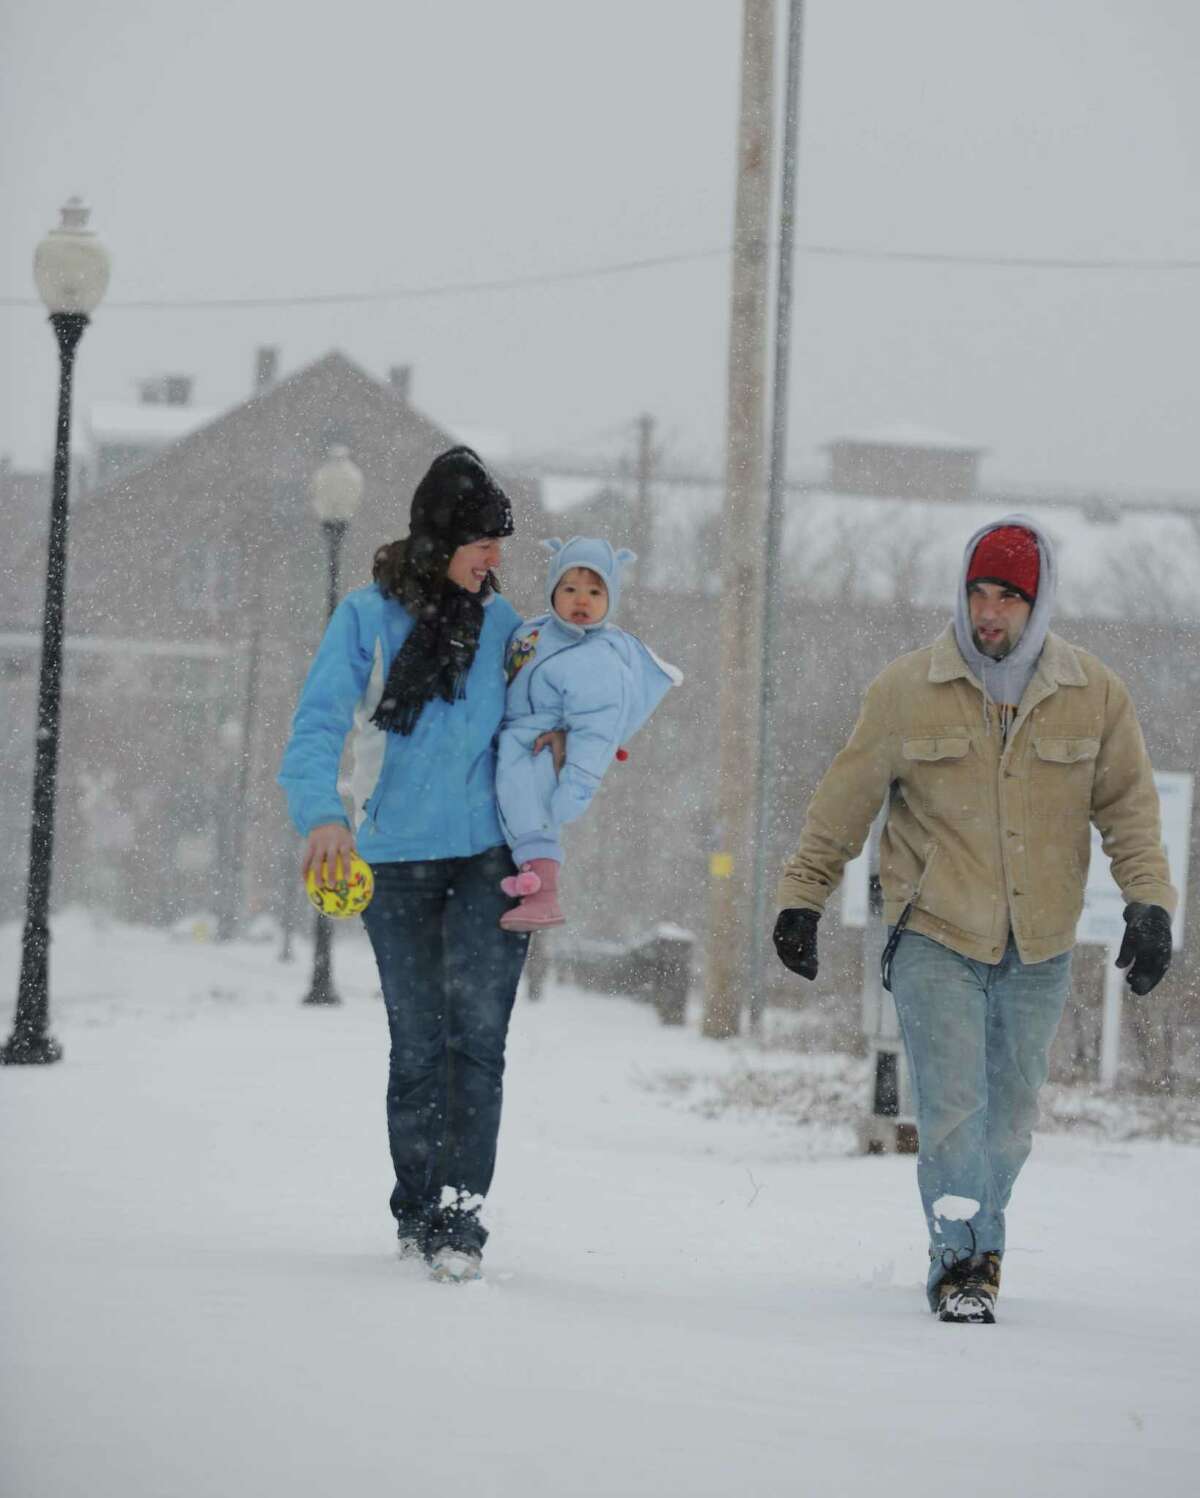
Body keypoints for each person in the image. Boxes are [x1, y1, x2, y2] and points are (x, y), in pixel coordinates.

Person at [771, 516, 1177, 1324]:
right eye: (978, 593)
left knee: (1012, 1120)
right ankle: (961, 1265)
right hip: (936, 936)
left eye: (1009, 597)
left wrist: (1151, 903)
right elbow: (841, 803)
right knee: (954, 1109)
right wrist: (802, 897)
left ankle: (981, 1246)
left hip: (1042, 944)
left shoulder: (1093, 694)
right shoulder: (905, 690)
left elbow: (1129, 809)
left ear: (1038, 602)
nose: (990, 612)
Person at [278, 446, 535, 1284]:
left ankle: (461, 1215)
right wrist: (322, 814)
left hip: (487, 859)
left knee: (480, 1040)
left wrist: (583, 736)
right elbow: (318, 723)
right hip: (394, 861)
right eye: (482, 541)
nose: (494, 559)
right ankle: (418, 1207)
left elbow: (539, 722)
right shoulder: (365, 617)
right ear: (442, 537)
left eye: (500, 544)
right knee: (419, 1044)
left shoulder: (504, 627)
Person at [494, 536, 682, 930]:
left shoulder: (596, 659)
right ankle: (526, 878)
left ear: (611, 598)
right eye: (570, 588)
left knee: (533, 810)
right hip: (515, 737)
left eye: (595, 591)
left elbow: (597, 731)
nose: (582, 600)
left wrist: (576, 785)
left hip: (541, 748)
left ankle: (543, 894)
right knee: (514, 805)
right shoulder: (534, 631)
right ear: (552, 590)